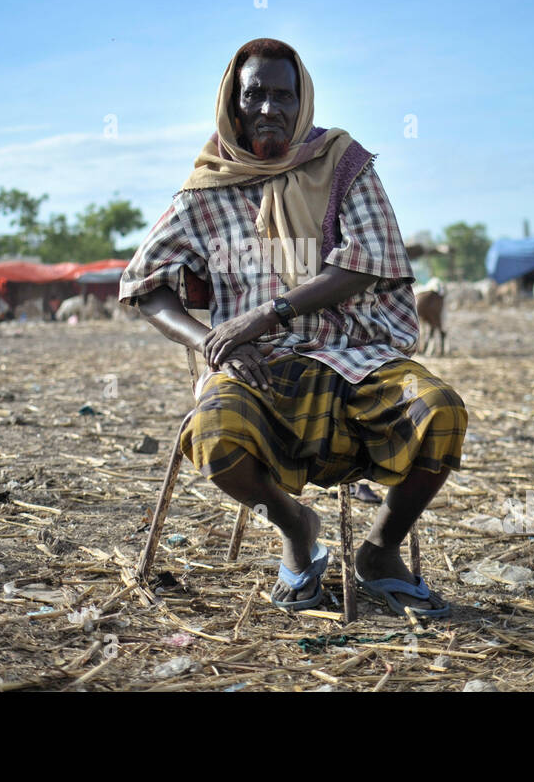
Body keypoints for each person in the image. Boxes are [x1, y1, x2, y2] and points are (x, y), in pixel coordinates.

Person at [119, 39, 467, 616]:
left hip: (353, 353)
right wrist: (206, 340)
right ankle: (297, 527)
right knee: (212, 435)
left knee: (441, 411)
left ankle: (380, 551)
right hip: (259, 369)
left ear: (302, 100)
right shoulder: (205, 188)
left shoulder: (339, 162)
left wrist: (266, 313)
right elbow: (140, 283)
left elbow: (371, 256)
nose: (268, 109)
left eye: (283, 95)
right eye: (254, 94)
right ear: (233, 101)